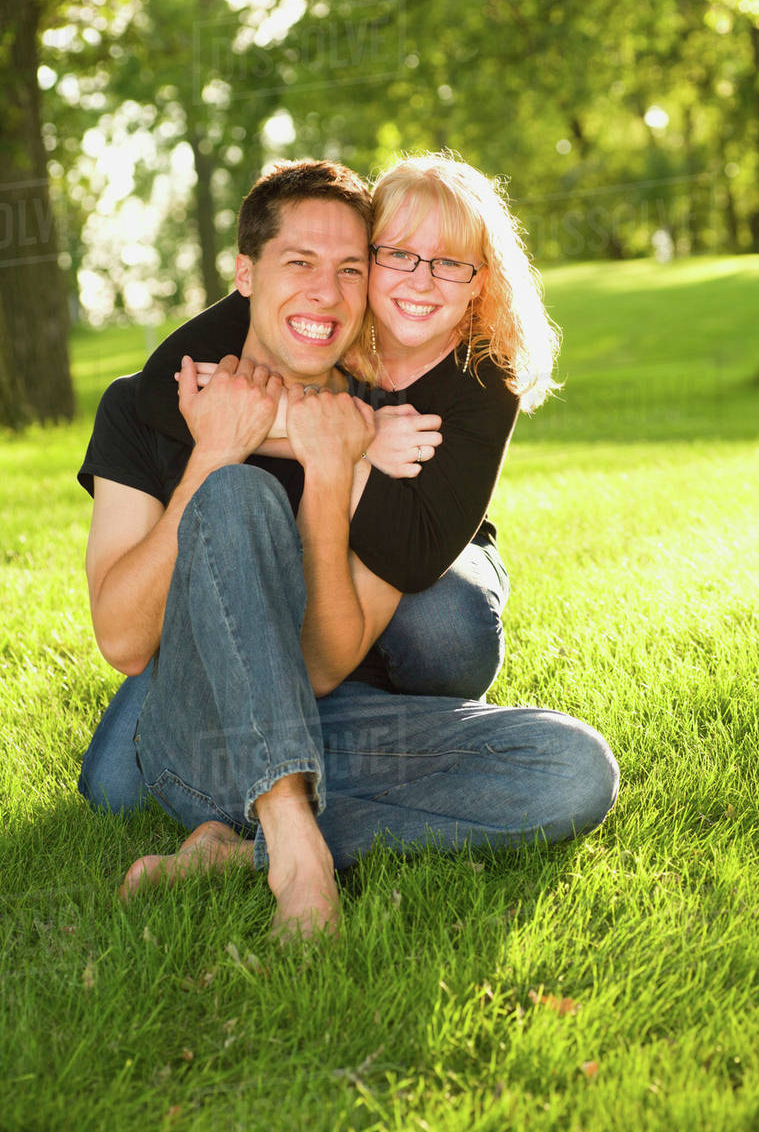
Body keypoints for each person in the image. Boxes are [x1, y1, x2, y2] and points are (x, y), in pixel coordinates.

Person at [78, 159, 618, 938]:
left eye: (350, 269)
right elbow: (125, 640)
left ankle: (239, 848)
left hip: (325, 713)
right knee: (235, 496)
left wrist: (338, 464)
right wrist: (213, 457)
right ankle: (298, 853)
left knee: (573, 769)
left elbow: (327, 665)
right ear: (244, 274)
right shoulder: (145, 404)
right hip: (198, 734)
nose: (325, 294)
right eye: (299, 263)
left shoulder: (396, 424)